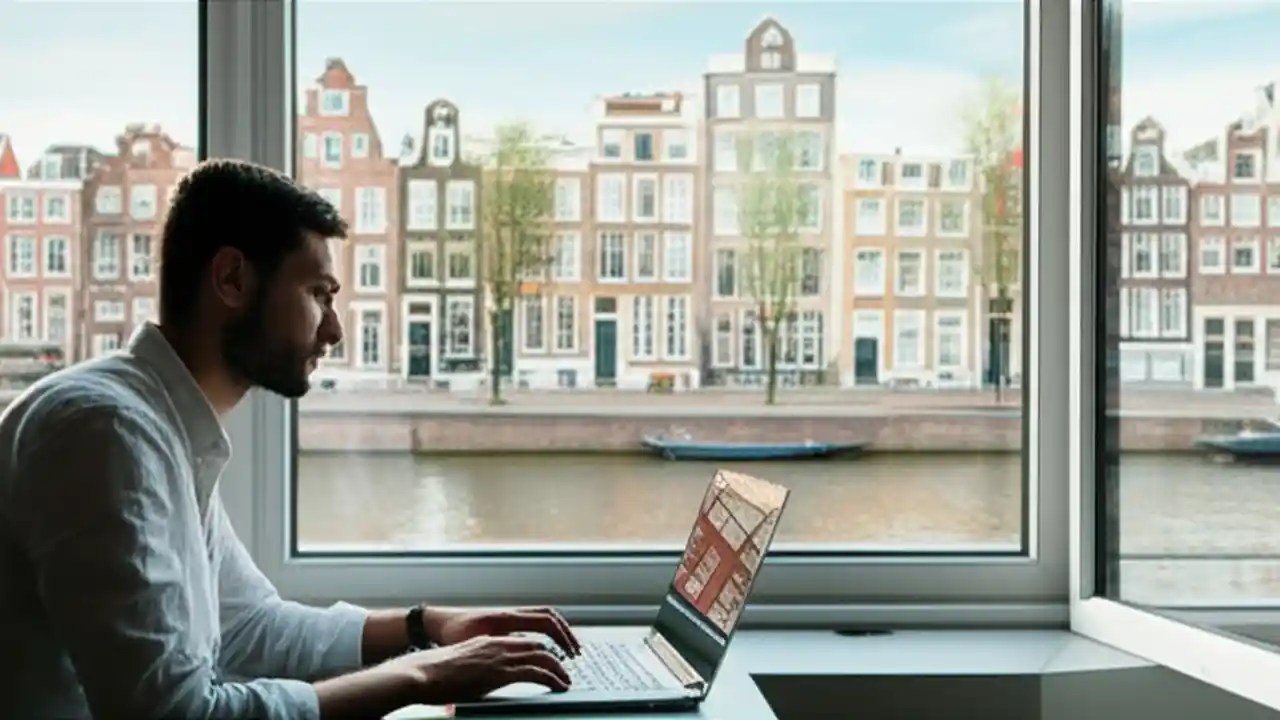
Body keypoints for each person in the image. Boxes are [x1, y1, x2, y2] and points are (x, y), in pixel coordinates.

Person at [0, 158, 582, 720]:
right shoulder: (105, 433)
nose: (335, 329)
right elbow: (171, 714)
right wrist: (425, 676)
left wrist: (428, 627)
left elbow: (250, 627)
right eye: (319, 295)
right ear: (232, 279)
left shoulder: (158, 426)